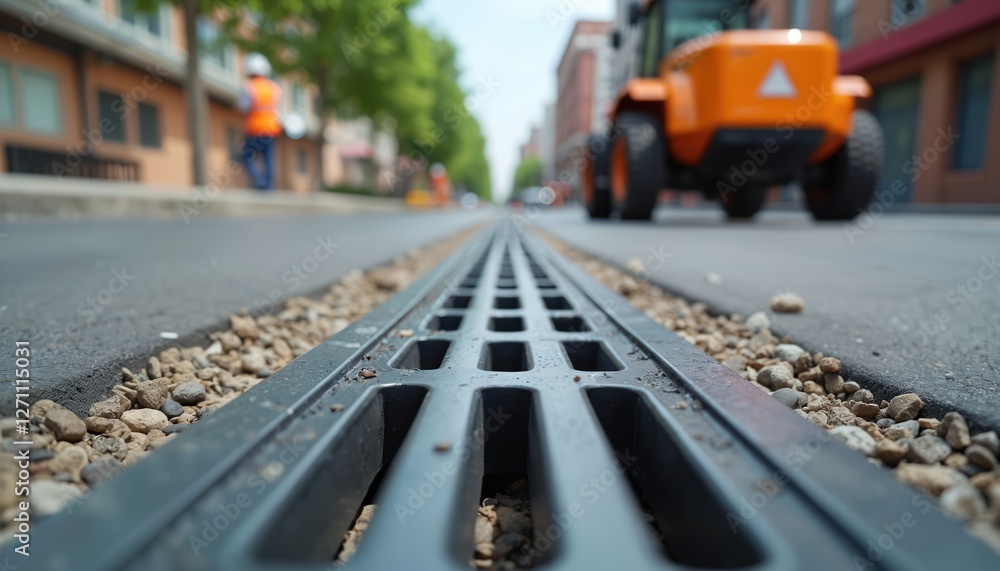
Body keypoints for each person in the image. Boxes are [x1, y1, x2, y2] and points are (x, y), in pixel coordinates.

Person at [238, 53, 283, 190]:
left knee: (246, 156)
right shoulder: (274, 87)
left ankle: (259, 181)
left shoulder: (249, 87)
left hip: (255, 129)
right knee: (268, 158)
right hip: (271, 128)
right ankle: (269, 187)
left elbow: (243, 106)